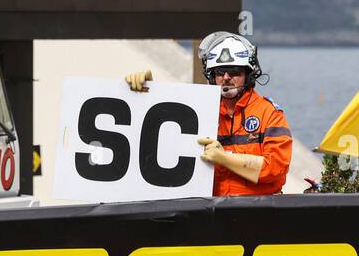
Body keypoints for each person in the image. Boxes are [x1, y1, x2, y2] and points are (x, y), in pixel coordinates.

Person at [125, 32, 292, 196]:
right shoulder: (199, 110)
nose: (226, 77)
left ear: (247, 74)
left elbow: (276, 168)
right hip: (209, 210)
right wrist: (146, 92)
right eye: (220, 72)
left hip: (256, 210)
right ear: (212, 76)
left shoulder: (269, 112)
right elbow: (164, 128)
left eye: (233, 71)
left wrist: (225, 158)